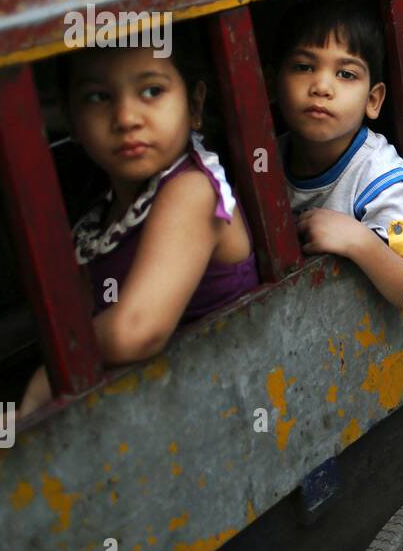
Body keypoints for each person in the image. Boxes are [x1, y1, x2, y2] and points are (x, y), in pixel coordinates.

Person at [19, 39, 260, 415]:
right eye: (98, 97)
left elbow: (136, 331)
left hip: (228, 414)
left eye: (152, 91)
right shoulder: (98, 220)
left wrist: (45, 381)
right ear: (71, 119)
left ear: (194, 105)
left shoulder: (192, 189)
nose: (127, 118)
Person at [274, 0, 403, 316]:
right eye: (304, 66)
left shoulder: (385, 183)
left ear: (373, 100)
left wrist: (358, 240)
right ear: (271, 83)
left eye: (345, 74)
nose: (322, 86)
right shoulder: (265, 161)